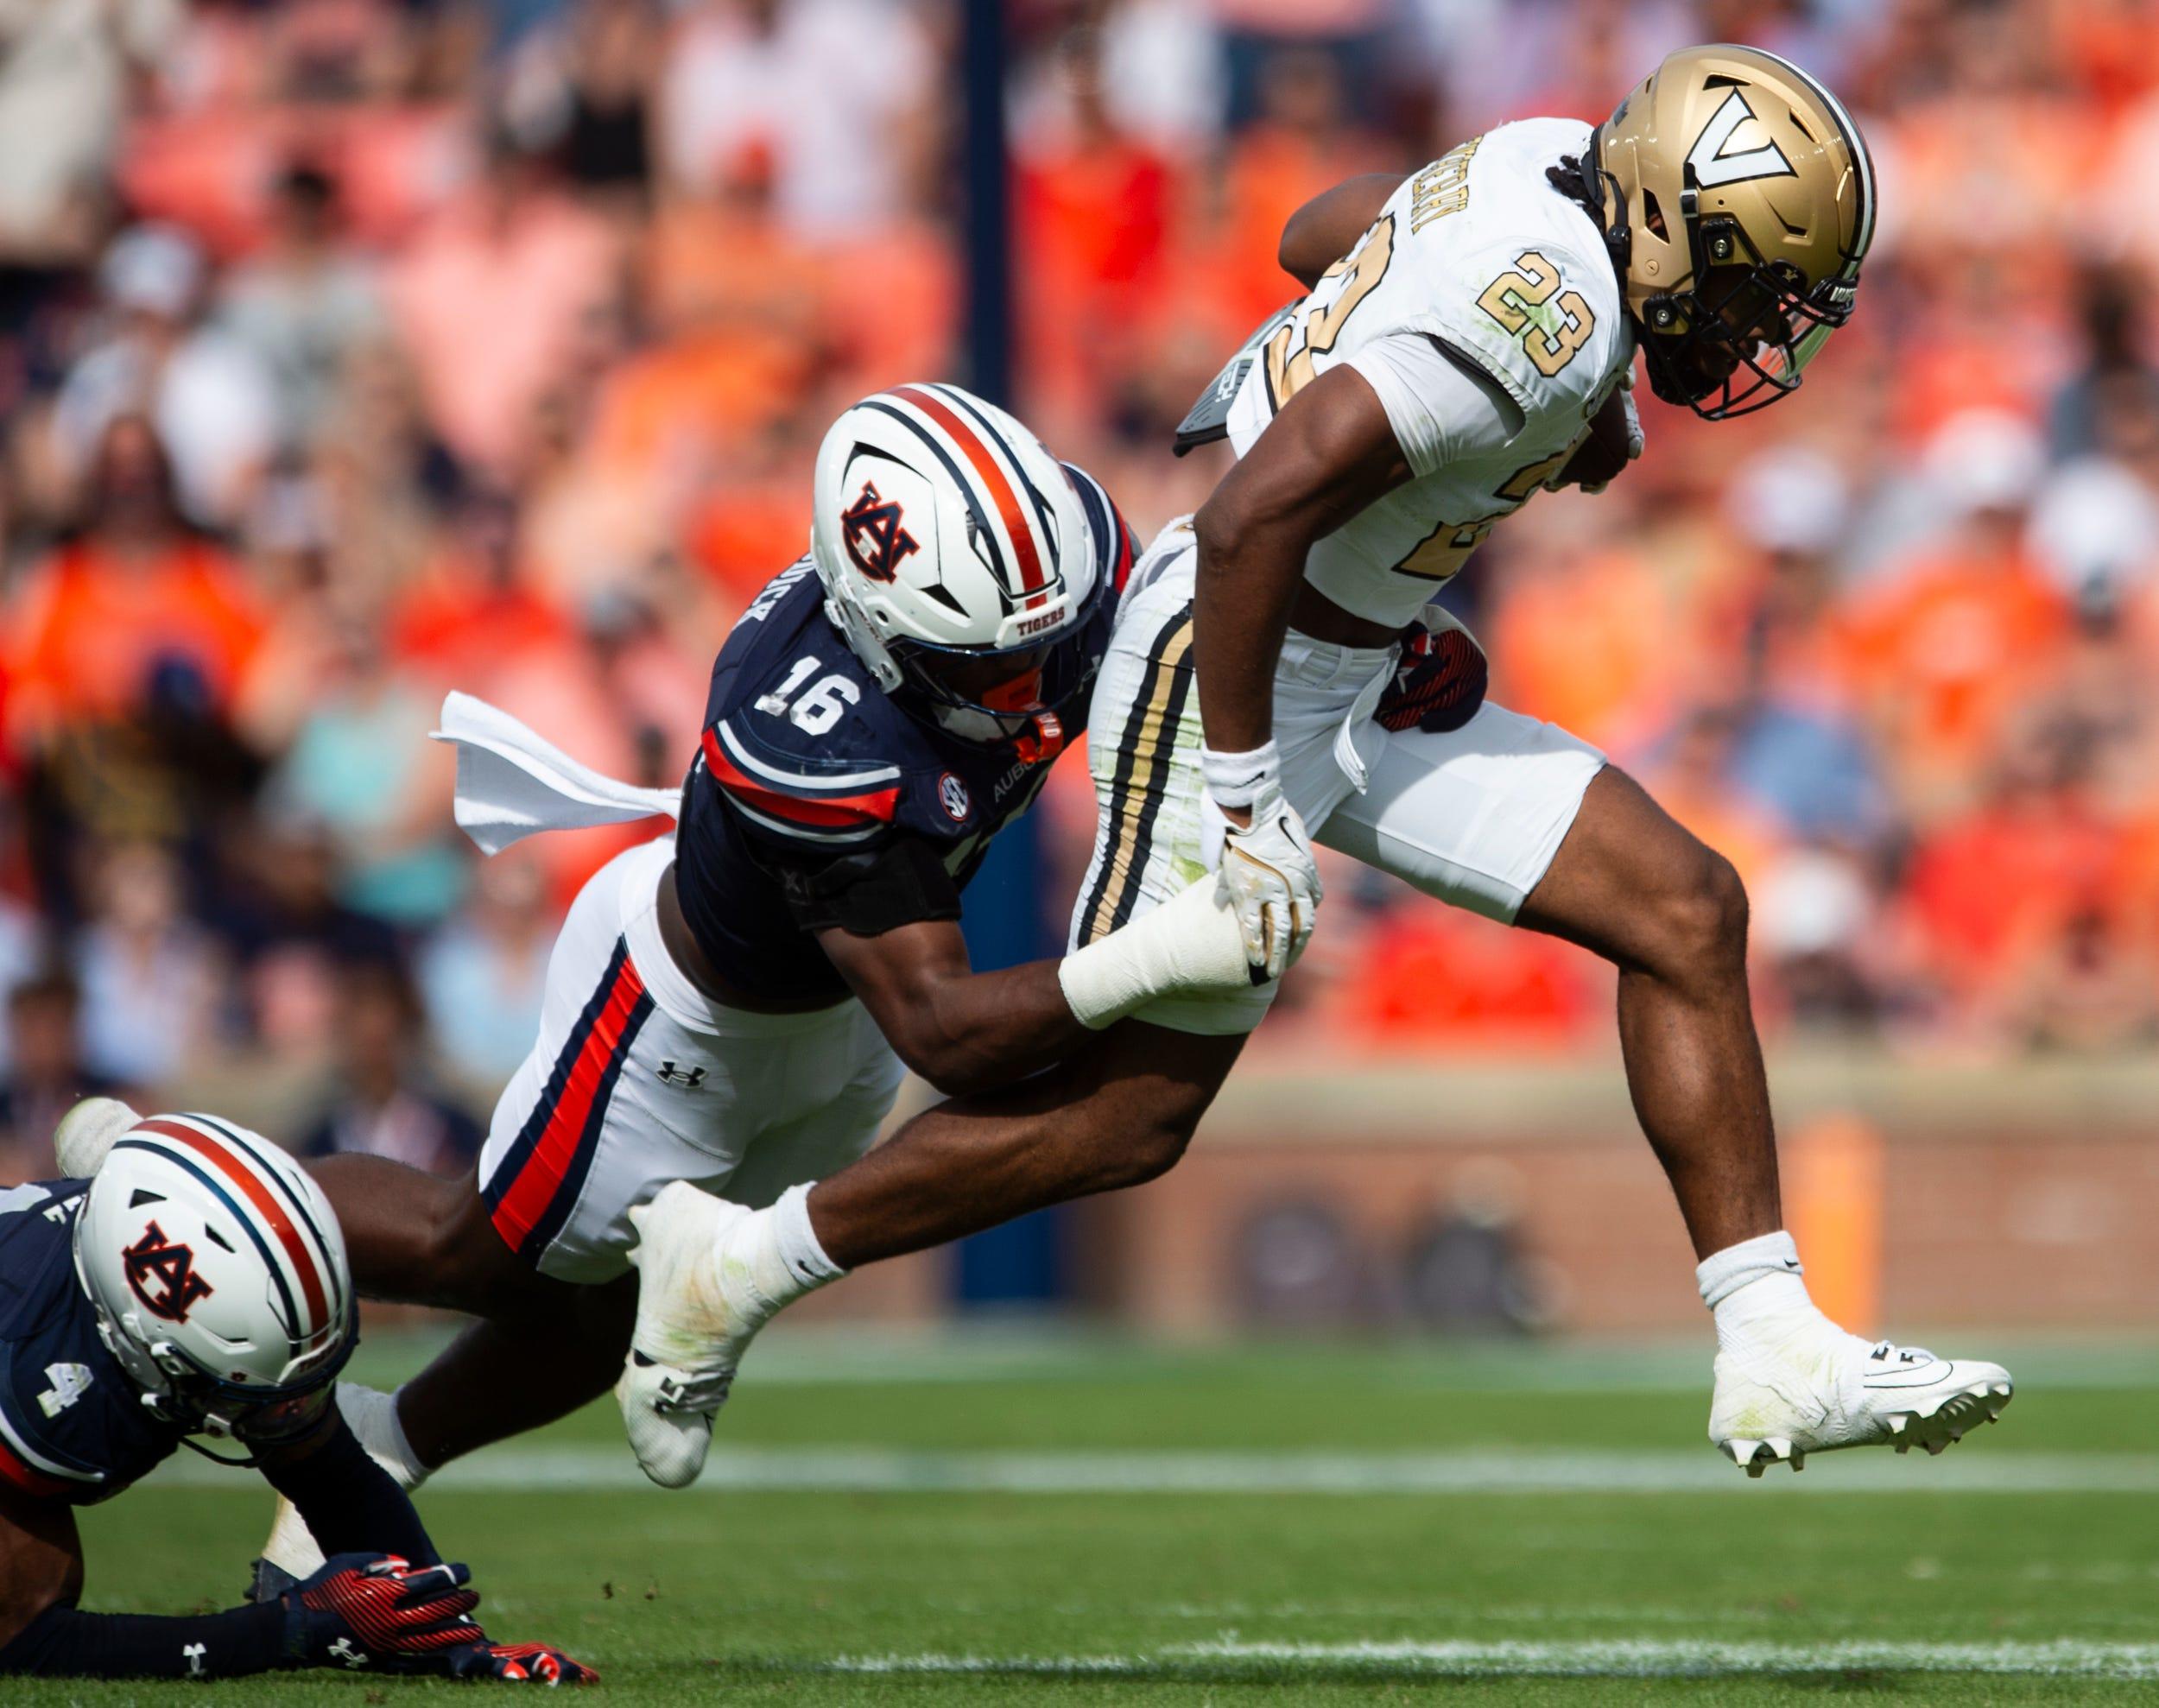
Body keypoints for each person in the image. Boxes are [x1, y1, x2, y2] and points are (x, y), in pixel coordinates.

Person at [623, 47, 2013, 1479]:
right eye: (1737, 281)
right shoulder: (1545, 311)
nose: (1746, 329)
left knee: (1684, 907)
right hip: (1232, 660)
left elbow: (1319, 237)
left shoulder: (1550, 157)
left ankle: (1770, 1340)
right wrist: (1243, 799)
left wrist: (1431, 531)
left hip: (1347, 656)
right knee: (1126, 1118)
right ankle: (735, 1261)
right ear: (1663, 215)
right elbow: (1251, 515)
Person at [212, 383, 1261, 1571]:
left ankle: (386, 1439)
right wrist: (1170, 946)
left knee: (627, 1301)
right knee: (485, 1254)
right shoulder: (806, 733)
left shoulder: (1056, 555)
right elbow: (951, 1037)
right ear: (874, 628)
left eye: (1040, 646)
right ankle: (167, 1191)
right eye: (989, 668)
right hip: (683, 1027)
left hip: (844, 1017)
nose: (1032, 693)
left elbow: (1185, 622)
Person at [1, 1100, 591, 1684]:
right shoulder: (30, 1375)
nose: (294, 1416)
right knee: (43, 1578)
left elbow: (329, 1472)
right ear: (137, 1345)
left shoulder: (136, 1293)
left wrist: (457, 1645)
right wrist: (289, 1629)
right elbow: (23, 1635)